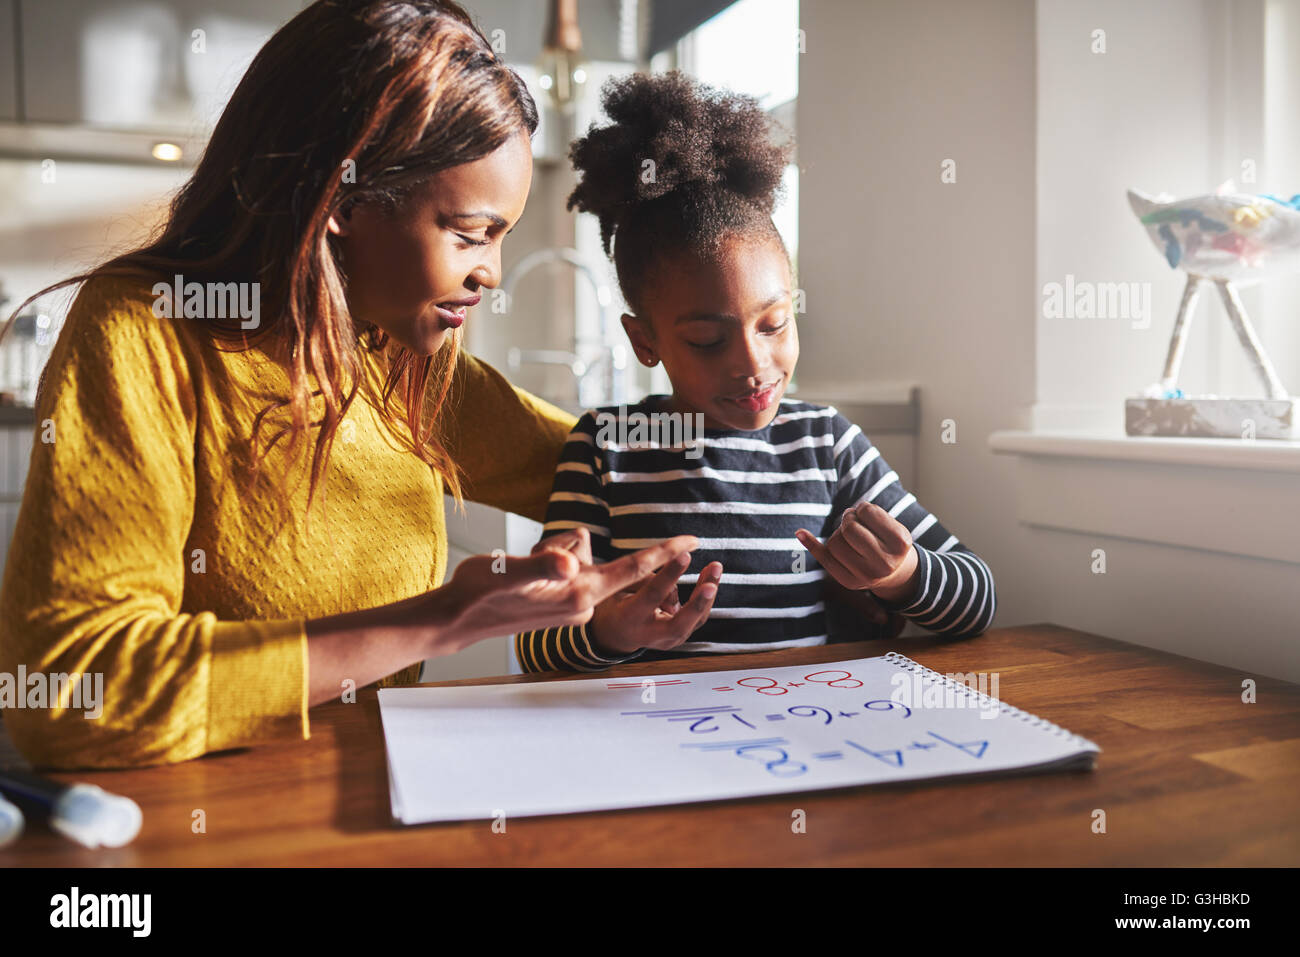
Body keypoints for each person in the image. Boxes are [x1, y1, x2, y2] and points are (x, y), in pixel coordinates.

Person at [0, 1, 710, 769]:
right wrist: (443, 619)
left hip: (378, 796)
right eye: (471, 233)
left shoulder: (406, 358)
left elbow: (621, 474)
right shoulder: (144, 331)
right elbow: (68, 689)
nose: (491, 274)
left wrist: (832, 511)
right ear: (343, 201)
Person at [514, 72, 996, 673]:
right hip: (652, 738)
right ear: (645, 341)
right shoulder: (604, 447)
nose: (752, 364)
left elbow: (979, 599)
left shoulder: (825, 443)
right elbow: (534, 644)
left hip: (801, 737)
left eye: (773, 325)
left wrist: (904, 575)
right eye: (708, 340)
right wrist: (608, 633)